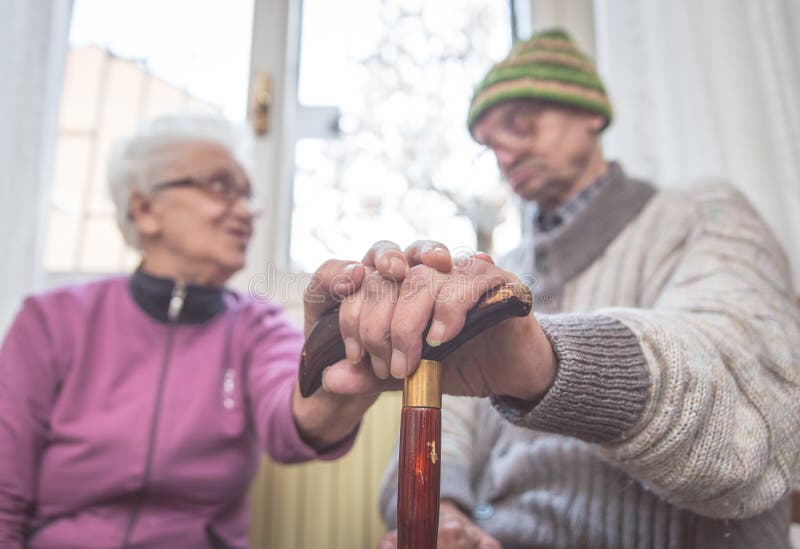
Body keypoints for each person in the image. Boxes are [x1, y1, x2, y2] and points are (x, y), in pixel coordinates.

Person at [306, 29, 800, 548]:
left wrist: (550, 363)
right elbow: (451, 419)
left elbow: (753, 404)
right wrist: (447, 513)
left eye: (520, 123)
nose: (505, 152)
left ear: (590, 113)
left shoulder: (703, 215)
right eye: (490, 143)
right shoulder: (501, 268)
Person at [0, 114, 375, 548]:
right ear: (144, 209)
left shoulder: (258, 326)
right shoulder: (51, 320)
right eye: (220, 186)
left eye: (248, 196)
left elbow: (292, 413)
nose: (243, 211)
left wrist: (342, 373)